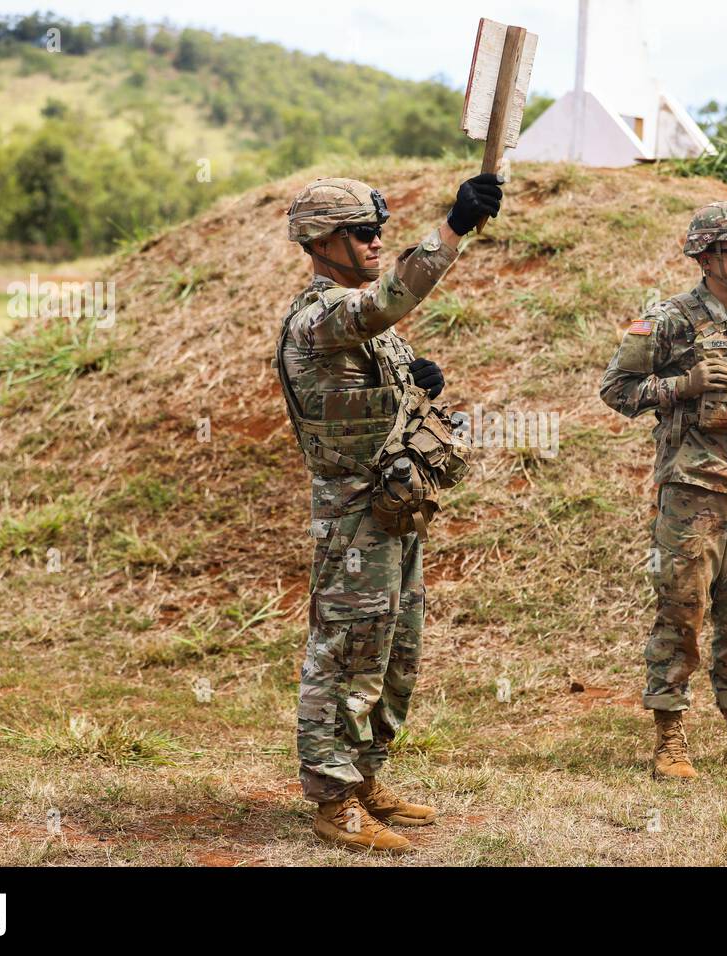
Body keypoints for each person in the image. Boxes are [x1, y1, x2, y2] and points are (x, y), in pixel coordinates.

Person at [276, 173, 503, 852]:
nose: (378, 239)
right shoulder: (318, 316)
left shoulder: (358, 319)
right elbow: (388, 302)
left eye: (380, 228)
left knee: (394, 651)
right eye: (362, 231)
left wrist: (416, 380)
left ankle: (365, 775)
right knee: (345, 651)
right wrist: (454, 227)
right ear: (322, 241)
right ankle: (331, 799)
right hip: (350, 515)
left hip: (393, 512)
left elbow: (381, 364)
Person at [600, 200, 727, 779]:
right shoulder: (666, 321)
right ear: (705, 256)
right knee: (682, 611)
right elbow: (616, 390)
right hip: (691, 490)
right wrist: (681, 386)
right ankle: (670, 738)